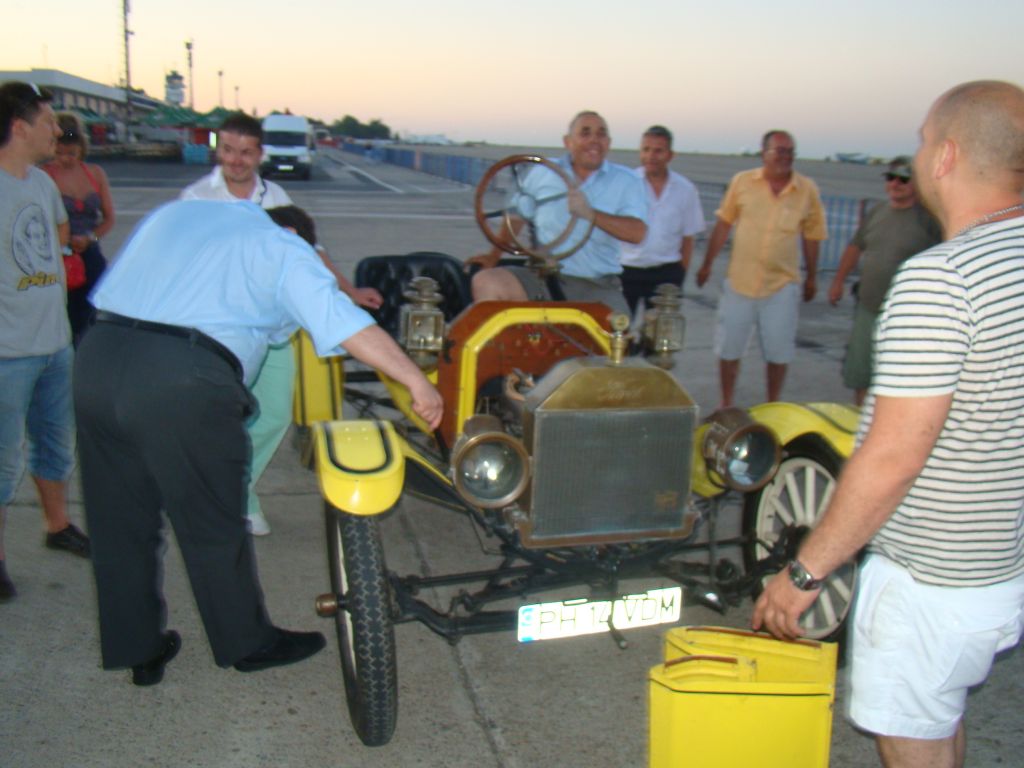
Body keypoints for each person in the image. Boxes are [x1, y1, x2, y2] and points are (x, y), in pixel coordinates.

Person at [753, 81, 1024, 768]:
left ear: (946, 156)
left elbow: (894, 455)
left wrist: (807, 573)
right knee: (939, 720)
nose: (919, 152)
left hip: (929, 581)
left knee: (913, 744)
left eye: (923, 140)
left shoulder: (944, 280)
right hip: (997, 568)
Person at [74, 199, 443, 685]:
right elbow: (349, 325)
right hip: (184, 379)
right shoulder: (281, 248)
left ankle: (138, 650)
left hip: (97, 358)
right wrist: (417, 382)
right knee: (213, 524)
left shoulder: (178, 214)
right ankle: (246, 643)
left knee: (118, 522)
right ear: (298, 238)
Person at [182, 112, 383, 536]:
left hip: (274, 328)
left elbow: (312, 250)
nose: (236, 161)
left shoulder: (275, 195)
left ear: (259, 154)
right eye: (229, 150)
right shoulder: (196, 199)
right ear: (219, 149)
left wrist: (348, 290)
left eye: (246, 152)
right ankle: (229, 499)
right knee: (219, 420)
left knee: (272, 414)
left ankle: (239, 491)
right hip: (220, 332)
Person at [0, 82, 91, 602]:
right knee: (3, 460)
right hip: (7, 353)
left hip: (55, 343)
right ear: (20, 127)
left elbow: (58, 231)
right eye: (48, 121)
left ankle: (57, 526)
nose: (57, 131)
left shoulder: (40, 181)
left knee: (56, 443)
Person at [468, 111, 647, 316]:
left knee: (619, 333)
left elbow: (637, 233)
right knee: (486, 281)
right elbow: (517, 218)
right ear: (568, 142)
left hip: (597, 284)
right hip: (540, 278)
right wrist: (493, 256)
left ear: (609, 142)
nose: (594, 141)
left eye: (601, 134)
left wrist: (591, 214)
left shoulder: (627, 181)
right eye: (585, 133)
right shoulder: (542, 172)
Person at [695, 130, 827, 406]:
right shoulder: (742, 182)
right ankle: (726, 404)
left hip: (781, 286)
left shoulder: (806, 190)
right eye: (779, 151)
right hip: (739, 283)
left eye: (790, 152)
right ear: (763, 153)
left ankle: (772, 404)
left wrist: (812, 278)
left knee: (779, 353)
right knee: (730, 348)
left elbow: (813, 236)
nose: (785, 157)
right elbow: (724, 224)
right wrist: (706, 264)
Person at [828, 157, 941, 405]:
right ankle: (860, 429)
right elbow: (856, 246)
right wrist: (838, 282)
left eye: (903, 179)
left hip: (907, 316)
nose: (895, 184)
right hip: (868, 308)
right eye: (891, 178)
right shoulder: (877, 211)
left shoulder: (930, 220)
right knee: (861, 375)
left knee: (897, 380)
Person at [41, 112, 115, 345]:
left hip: (90, 254)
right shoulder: (44, 175)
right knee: (64, 317)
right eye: (59, 153)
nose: (65, 159)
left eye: (71, 153)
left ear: (81, 148)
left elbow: (109, 218)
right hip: (59, 257)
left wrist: (91, 237)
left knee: (92, 315)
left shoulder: (95, 173)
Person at [619, 125, 705, 314]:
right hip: (625, 272)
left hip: (666, 274)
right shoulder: (624, 185)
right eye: (646, 149)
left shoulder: (685, 189)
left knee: (661, 337)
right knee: (620, 333)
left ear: (670, 155)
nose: (651, 156)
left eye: (658, 151)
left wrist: (680, 275)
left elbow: (688, 238)